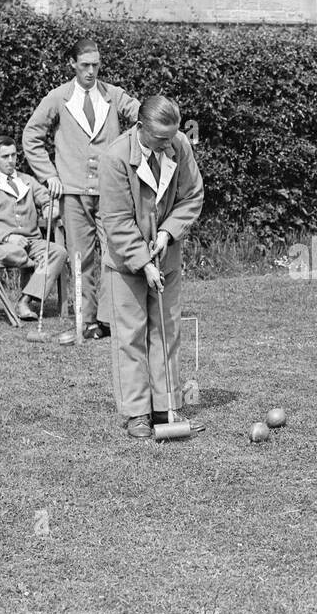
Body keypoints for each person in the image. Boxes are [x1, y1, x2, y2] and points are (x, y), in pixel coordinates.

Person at [99, 96, 206, 439]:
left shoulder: (179, 144)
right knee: (131, 336)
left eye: (172, 136)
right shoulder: (115, 157)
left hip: (167, 256)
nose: (167, 144)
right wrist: (143, 261)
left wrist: (166, 233)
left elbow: (192, 196)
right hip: (125, 262)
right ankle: (136, 413)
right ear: (141, 127)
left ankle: (165, 406)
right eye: (160, 138)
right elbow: (116, 219)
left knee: (166, 332)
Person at [23, 38, 140, 342]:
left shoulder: (114, 95)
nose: (91, 71)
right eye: (85, 65)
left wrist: (131, 155)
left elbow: (146, 119)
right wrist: (49, 175)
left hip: (111, 191)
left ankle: (110, 319)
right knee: (80, 258)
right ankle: (85, 321)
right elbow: (31, 136)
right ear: (72, 64)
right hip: (73, 192)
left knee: (115, 254)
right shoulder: (57, 97)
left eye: (96, 65)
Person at [0, 136, 67, 321]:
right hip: (0, 245)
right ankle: (35, 270)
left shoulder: (27, 180)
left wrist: (48, 207)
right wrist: (7, 237)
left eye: (13, 155)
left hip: (32, 242)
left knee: (58, 252)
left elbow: (46, 198)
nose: (11, 160)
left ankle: (24, 301)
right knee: (17, 253)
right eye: (5, 156)